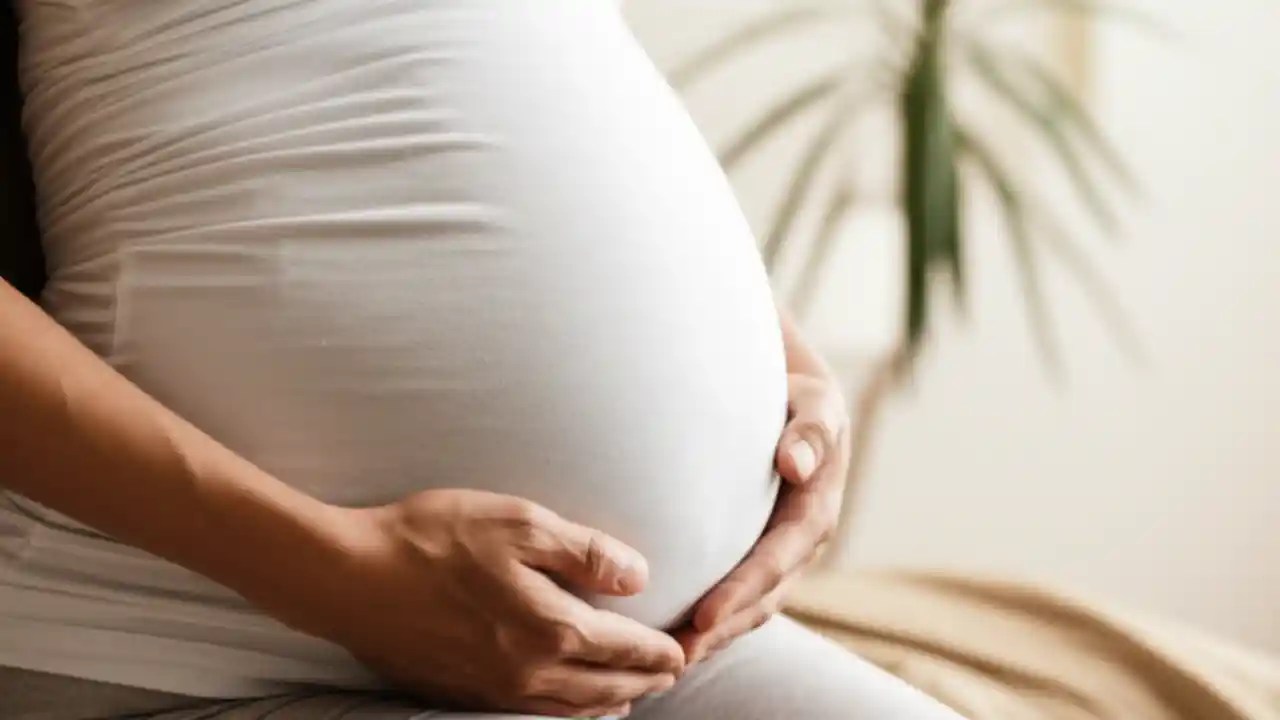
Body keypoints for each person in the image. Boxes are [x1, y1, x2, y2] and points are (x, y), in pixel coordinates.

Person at [0, 2, 964, 718]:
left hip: (657, 650)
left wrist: (780, 371)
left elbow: (520, 72)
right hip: (193, 640)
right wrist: (333, 576)